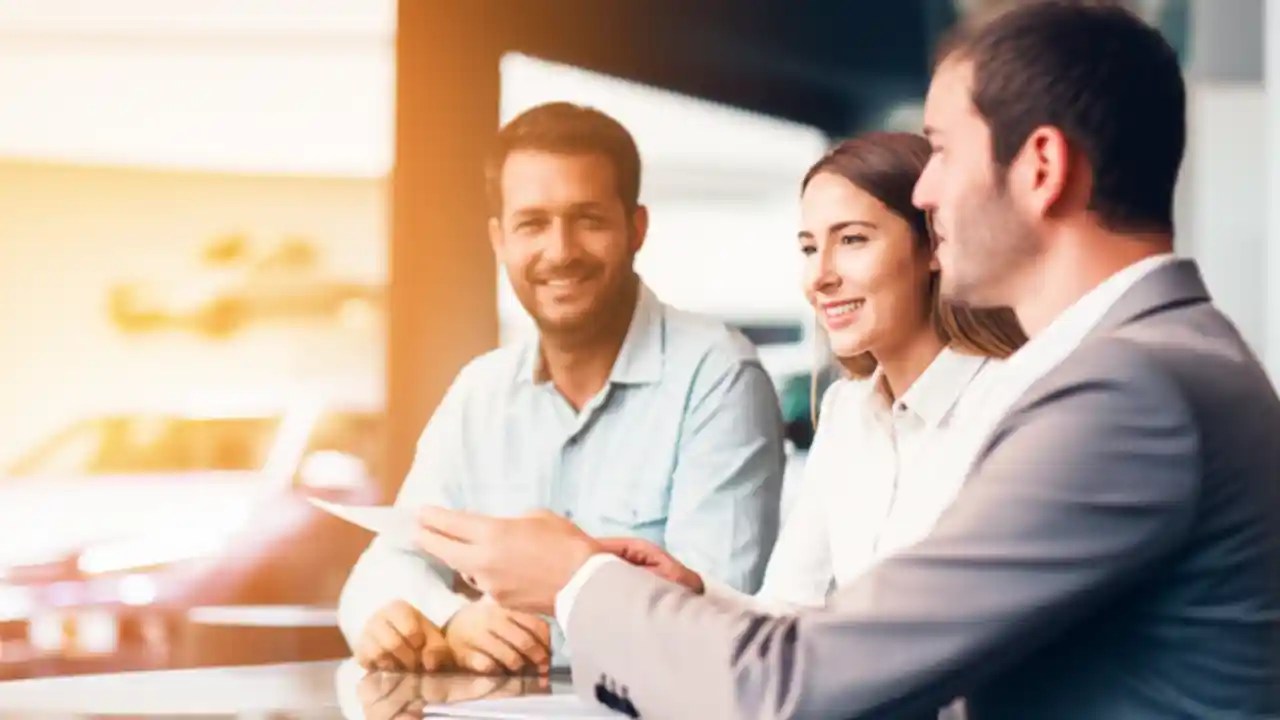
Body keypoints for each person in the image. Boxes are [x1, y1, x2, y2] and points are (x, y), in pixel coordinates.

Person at [415, 3, 1280, 718]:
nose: (928, 192)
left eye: (941, 149)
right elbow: (830, 644)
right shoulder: (1160, 363)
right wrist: (682, 593)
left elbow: (793, 689)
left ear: (1042, 167)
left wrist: (577, 580)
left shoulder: (1124, 394)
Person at [339, 102, 786, 675]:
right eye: (533, 223)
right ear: (500, 240)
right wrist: (451, 618)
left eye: (589, 219)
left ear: (636, 229)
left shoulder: (718, 376)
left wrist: (498, 643)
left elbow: (714, 622)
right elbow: (380, 572)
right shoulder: (481, 392)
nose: (561, 251)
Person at [607, 132, 1025, 615]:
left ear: (935, 244)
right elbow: (789, 611)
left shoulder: (1011, 402)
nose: (820, 276)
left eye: (851, 240)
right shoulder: (845, 413)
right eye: (809, 248)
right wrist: (691, 589)